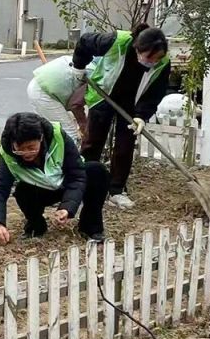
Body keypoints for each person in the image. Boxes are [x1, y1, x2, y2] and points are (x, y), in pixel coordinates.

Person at [72, 24, 170, 209]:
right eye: (150, 57)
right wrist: (79, 66)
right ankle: (81, 185)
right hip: (104, 95)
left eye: (158, 58)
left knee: (125, 147)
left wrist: (142, 115)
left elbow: (156, 92)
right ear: (137, 48)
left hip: (132, 104)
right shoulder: (116, 41)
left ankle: (116, 191)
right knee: (93, 142)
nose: (153, 62)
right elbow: (84, 42)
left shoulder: (163, 63)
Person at [0, 112, 109, 244]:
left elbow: (77, 176)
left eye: (31, 148)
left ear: (41, 138)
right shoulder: (8, 154)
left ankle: (90, 227)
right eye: (20, 149)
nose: (26, 153)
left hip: (67, 184)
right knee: (22, 190)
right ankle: (36, 226)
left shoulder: (59, 137)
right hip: (40, 189)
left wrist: (67, 207)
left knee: (96, 171)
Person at [27, 55, 99, 145]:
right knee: (69, 133)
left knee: (53, 131)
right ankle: (69, 158)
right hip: (43, 93)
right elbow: (75, 105)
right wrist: (83, 125)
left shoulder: (92, 63)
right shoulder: (96, 76)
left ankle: (50, 154)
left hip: (39, 85)